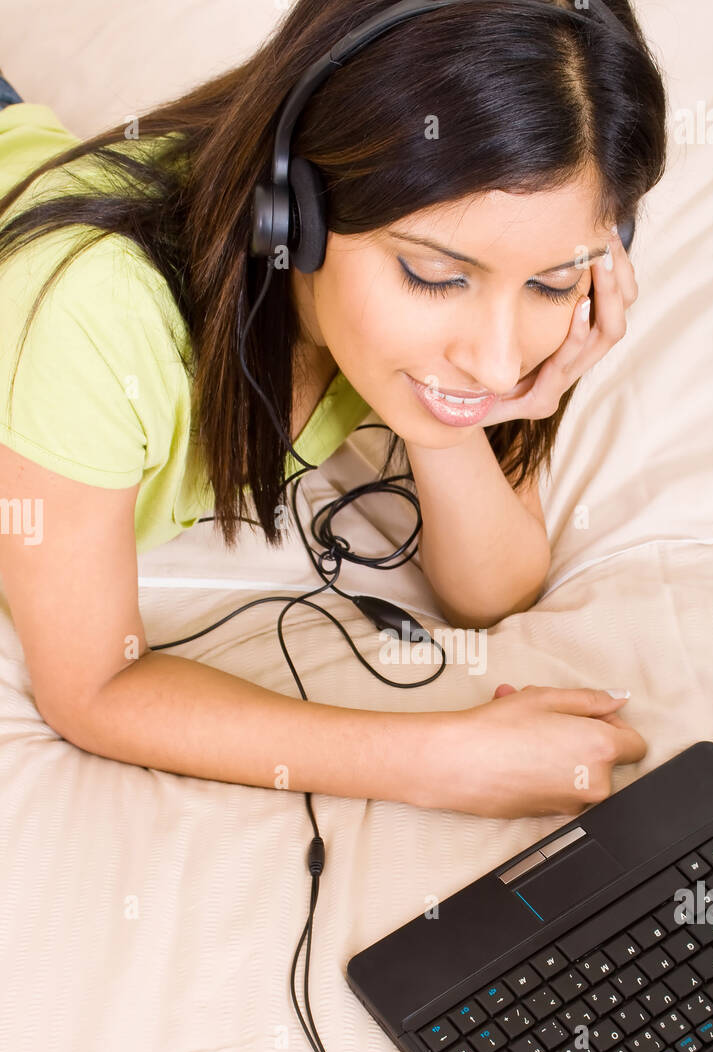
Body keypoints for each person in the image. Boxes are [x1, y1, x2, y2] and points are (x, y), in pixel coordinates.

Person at [0, 0, 666, 819]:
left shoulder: (453, 335)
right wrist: (438, 759)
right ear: (298, 214)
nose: (498, 357)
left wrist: (466, 413)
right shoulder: (92, 314)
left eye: (554, 283)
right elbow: (94, 685)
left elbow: (492, 591)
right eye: (435, 275)